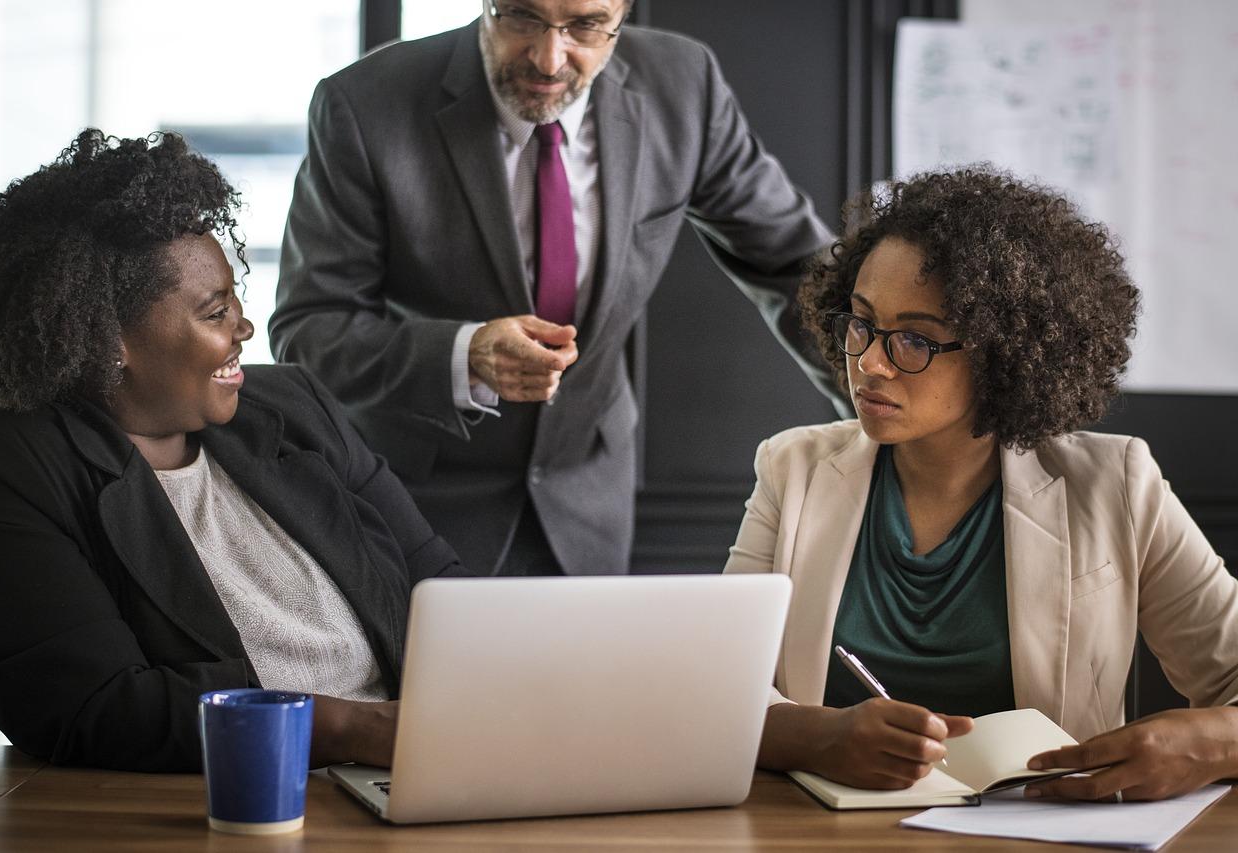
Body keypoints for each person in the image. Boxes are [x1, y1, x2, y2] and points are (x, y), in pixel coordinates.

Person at [270, 0, 848, 577]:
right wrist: (464, 354)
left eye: (586, 26)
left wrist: (889, 408)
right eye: (522, 16)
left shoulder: (682, 85)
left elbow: (799, 267)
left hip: (589, 496)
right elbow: (310, 330)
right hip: (414, 503)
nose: (550, 59)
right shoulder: (365, 104)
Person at [0, 130, 468, 772]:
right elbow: (95, 706)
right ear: (109, 339)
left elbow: (440, 591)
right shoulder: (4, 468)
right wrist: (349, 729)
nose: (244, 329)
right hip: (219, 802)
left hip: (414, 773)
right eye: (214, 311)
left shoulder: (295, 407)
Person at [725, 167, 1238, 802]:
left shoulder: (1116, 484)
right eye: (860, 323)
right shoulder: (792, 467)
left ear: (1007, 352)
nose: (870, 363)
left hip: (1043, 836)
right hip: (814, 835)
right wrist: (815, 737)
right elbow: (721, 681)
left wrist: (1208, 745)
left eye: (914, 338)